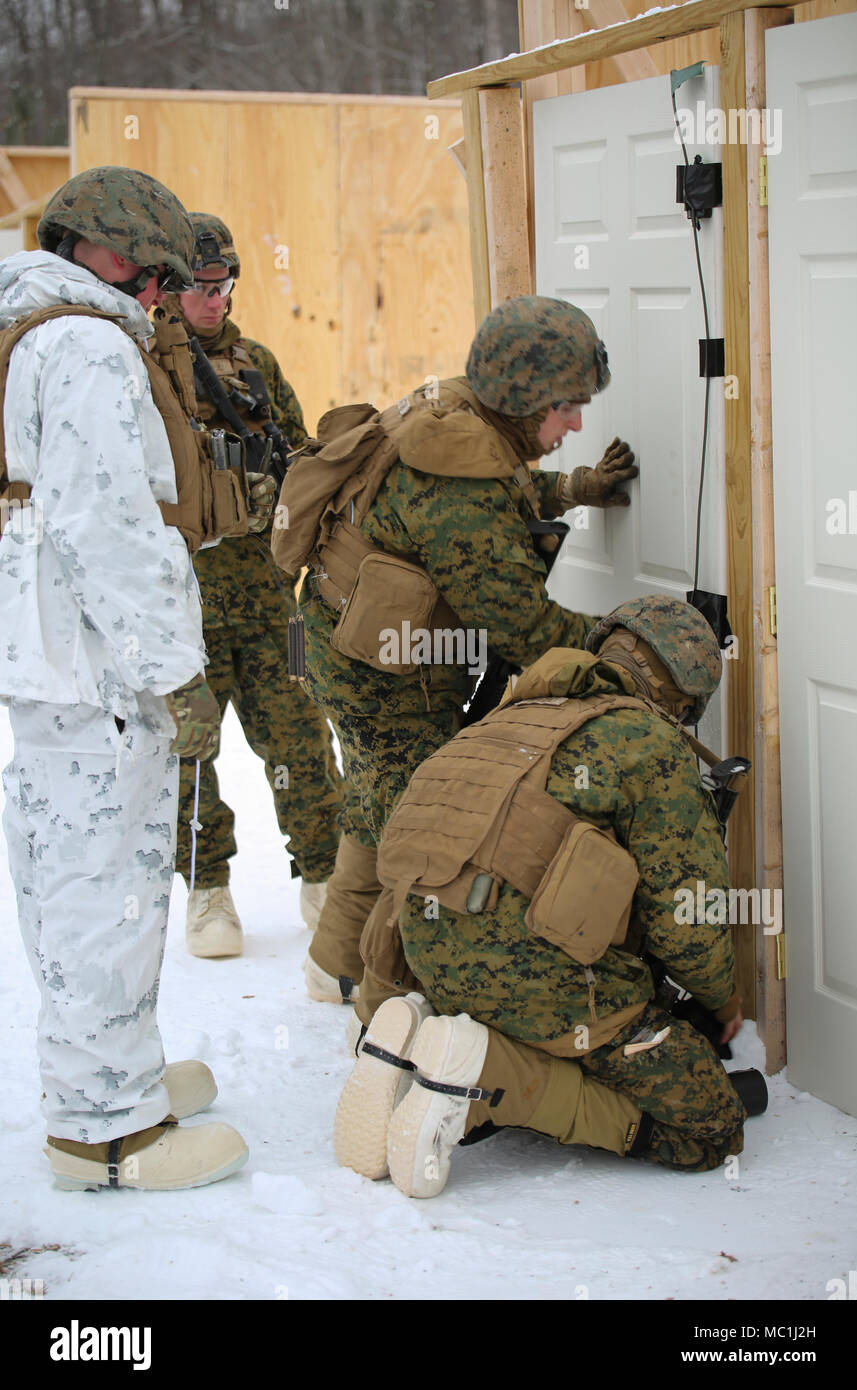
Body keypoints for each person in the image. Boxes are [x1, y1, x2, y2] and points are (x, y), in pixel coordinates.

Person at [272, 295, 638, 1019]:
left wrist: (569, 488)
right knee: (417, 816)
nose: (576, 423)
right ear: (523, 396)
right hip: (386, 668)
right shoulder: (456, 465)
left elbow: (498, 485)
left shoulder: (455, 410)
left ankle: (333, 961)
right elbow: (518, 622)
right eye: (565, 406)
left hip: (348, 642)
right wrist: (625, 647)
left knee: (377, 793)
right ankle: (385, 993)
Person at [334, 596, 767, 1197]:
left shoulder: (506, 718)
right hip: (536, 979)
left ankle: (420, 1037)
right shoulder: (648, 742)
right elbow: (686, 922)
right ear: (683, 700)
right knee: (711, 1126)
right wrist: (724, 1001)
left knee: (532, 1006)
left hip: (423, 957)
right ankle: (478, 1072)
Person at [0, 167, 248, 1190]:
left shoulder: (34, 331)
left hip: (59, 654)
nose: (159, 292)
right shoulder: (90, 348)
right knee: (104, 888)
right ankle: (104, 1132)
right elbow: (109, 526)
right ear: (115, 253)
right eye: (153, 273)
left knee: (81, 878)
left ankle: (119, 1076)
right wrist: (175, 675)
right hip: (100, 664)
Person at [165, 213, 344, 957]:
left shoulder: (256, 364)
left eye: (225, 284)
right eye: (202, 287)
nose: (217, 299)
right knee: (188, 755)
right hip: (185, 609)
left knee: (304, 739)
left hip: (274, 607)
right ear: (170, 289)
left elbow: (302, 460)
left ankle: (328, 880)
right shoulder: (146, 365)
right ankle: (208, 893)